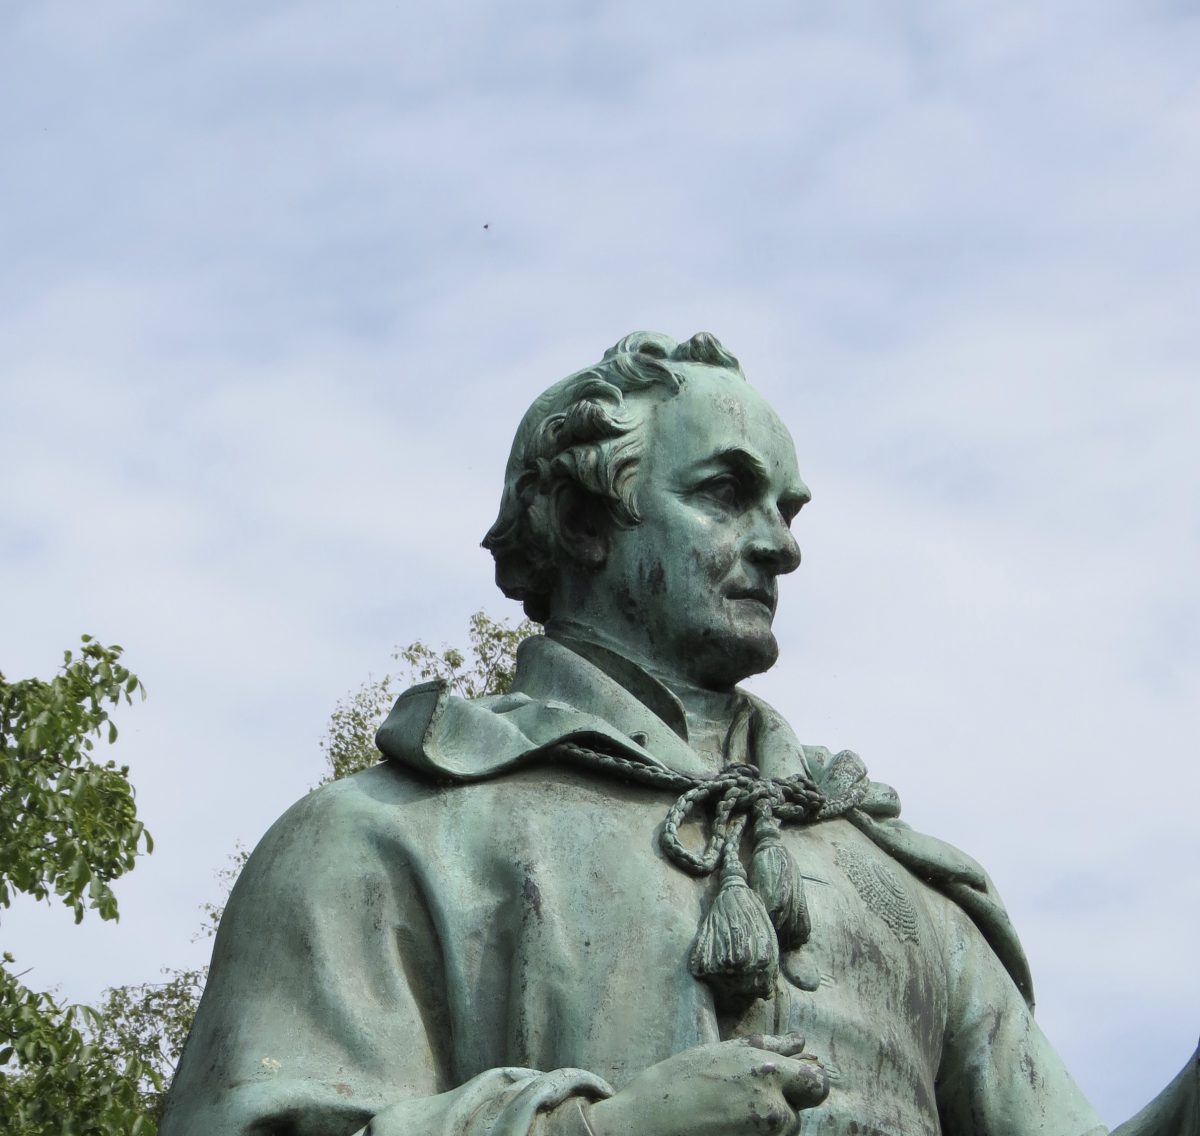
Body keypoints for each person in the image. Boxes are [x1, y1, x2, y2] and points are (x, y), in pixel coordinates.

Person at [161, 331, 1196, 1136]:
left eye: (788, 508)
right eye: (726, 492)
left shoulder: (903, 890)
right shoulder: (376, 842)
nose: (782, 545)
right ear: (580, 519)